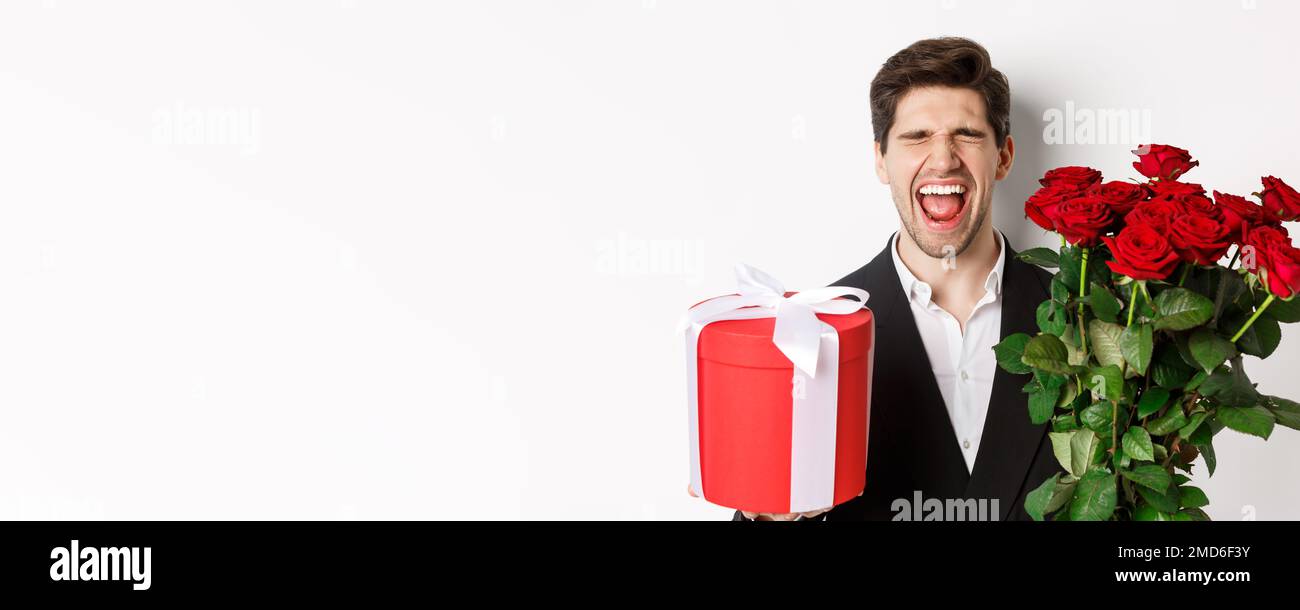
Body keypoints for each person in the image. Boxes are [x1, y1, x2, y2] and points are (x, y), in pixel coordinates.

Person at [697, 36, 1065, 521]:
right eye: (917, 137)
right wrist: (771, 514)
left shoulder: (1079, 316)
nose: (943, 158)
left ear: (1003, 157)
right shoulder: (816, 334)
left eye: (967, 135)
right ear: (880, 159)